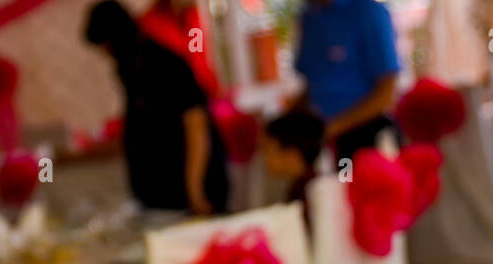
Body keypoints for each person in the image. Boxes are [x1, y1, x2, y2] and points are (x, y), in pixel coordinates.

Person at [85, 0, 228, 216]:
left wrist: (195, 192)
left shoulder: (164, 64)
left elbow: (196, 126)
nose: (106, 54)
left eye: (106, 46)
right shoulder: (132, 68)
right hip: (161, 195)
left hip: (188, 193)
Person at [293, 0, 401, 161]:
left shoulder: (369, 13)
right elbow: (312, 84)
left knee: (350, 181)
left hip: (365, 134)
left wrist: (333, 128)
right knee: (324, 185)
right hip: (324, 138)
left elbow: (387, 94)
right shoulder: (309, 17)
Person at [262, 107, 326, 209]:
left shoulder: (310, 193)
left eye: (267, 150)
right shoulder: (301, 186)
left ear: (292, 154)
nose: (264, 157)